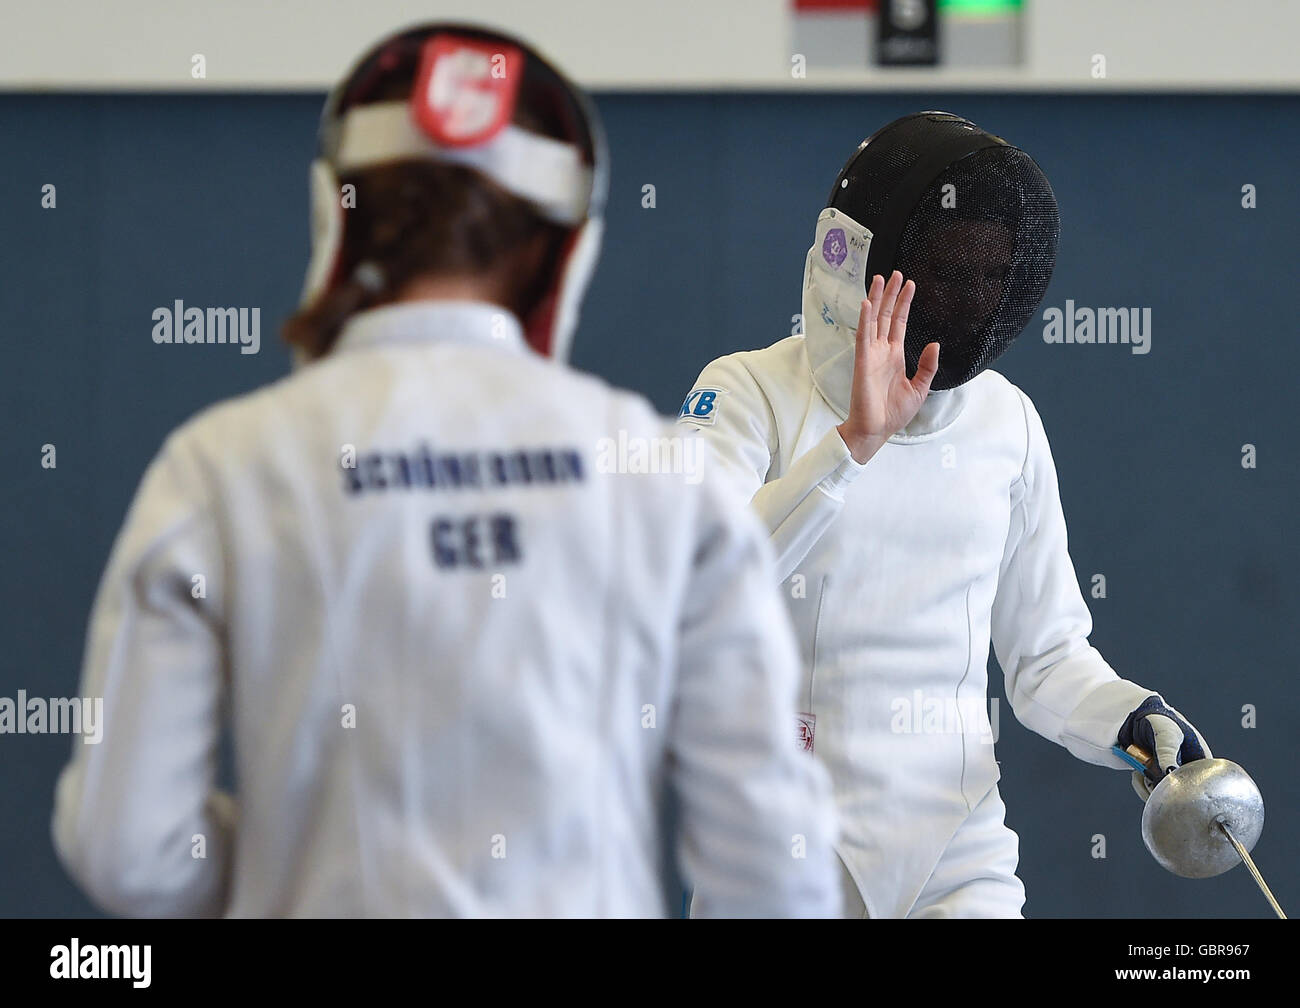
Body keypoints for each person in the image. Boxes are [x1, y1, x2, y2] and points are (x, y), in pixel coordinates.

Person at [51, 23, 839, 918]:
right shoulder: (661, 474)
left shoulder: (221, 466)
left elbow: (128, 851)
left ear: (333, 217)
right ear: (566, 253)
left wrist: (284, 864)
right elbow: (777, 867)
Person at [677, 111, 1209, 918]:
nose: (967, 297)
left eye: (990, 274)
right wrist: (852, 444)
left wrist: (1130, 718)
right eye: (945, 268)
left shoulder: (1008, 424)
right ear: (864, 261)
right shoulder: (750, 391)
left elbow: (1045, 659)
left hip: (954, 849)